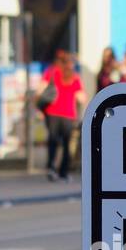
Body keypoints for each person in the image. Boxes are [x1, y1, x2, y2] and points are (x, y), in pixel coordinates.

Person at [41, 51, 85, 180]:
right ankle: (63, 171)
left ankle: (51, 168)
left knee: (53, 141)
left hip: (52, 112)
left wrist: (39, 107)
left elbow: (41, 89)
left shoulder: (52, 73)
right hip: (68, 115)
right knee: (66, 144)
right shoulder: (74, 77)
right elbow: (81, 97)